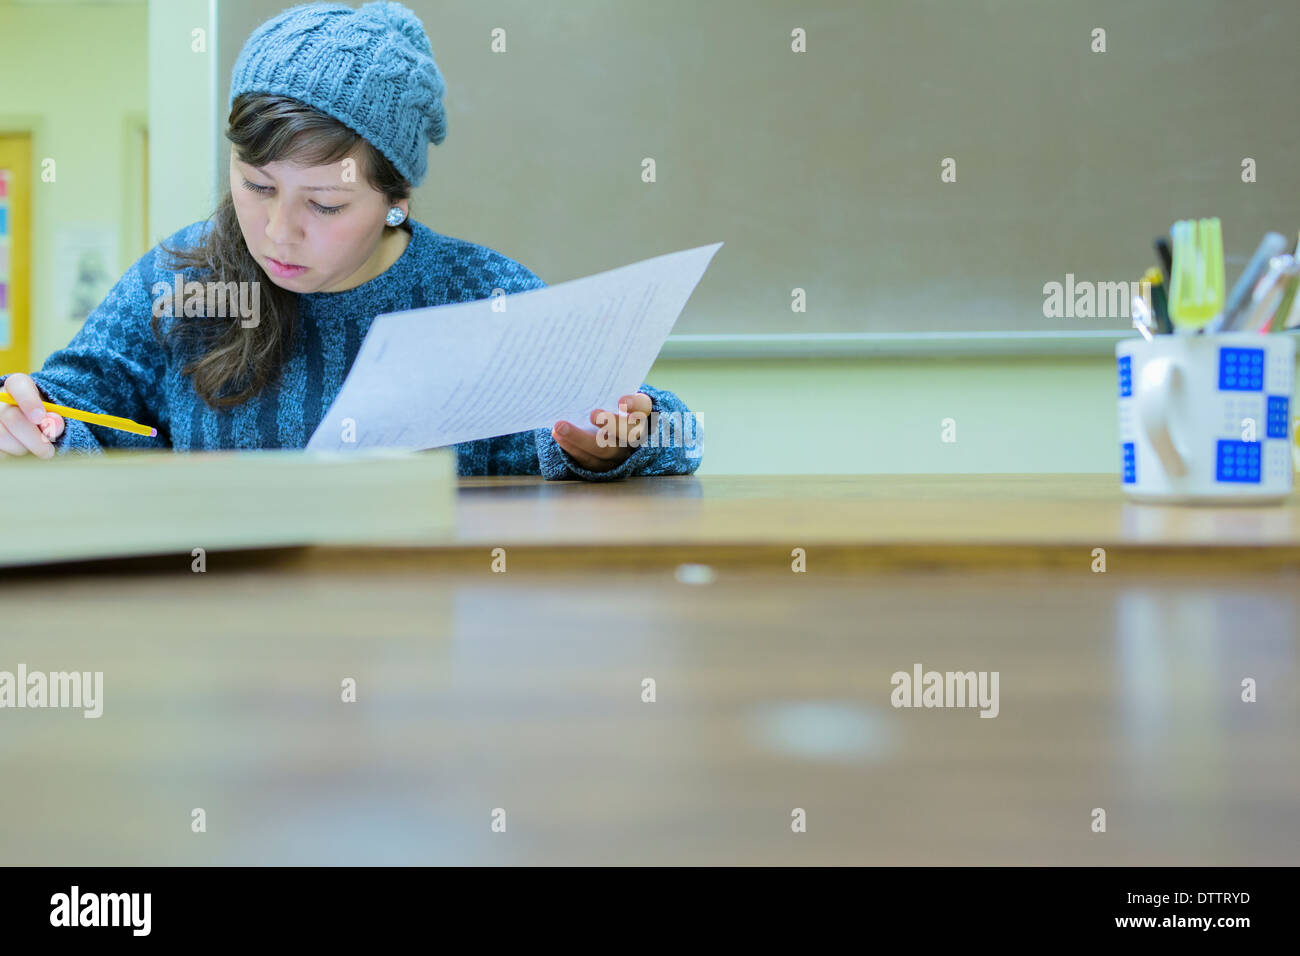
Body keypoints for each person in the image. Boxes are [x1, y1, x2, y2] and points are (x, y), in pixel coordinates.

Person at [0, 0, 702, 481]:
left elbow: (673, 431)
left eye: (326, 204)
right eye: (257, 185)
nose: (277, 232)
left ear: (396, 201)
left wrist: (618, 442)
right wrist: (36, 424)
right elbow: (74, 408)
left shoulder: (477, 293)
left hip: (427, 647)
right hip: (231, 648)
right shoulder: (186, 281)